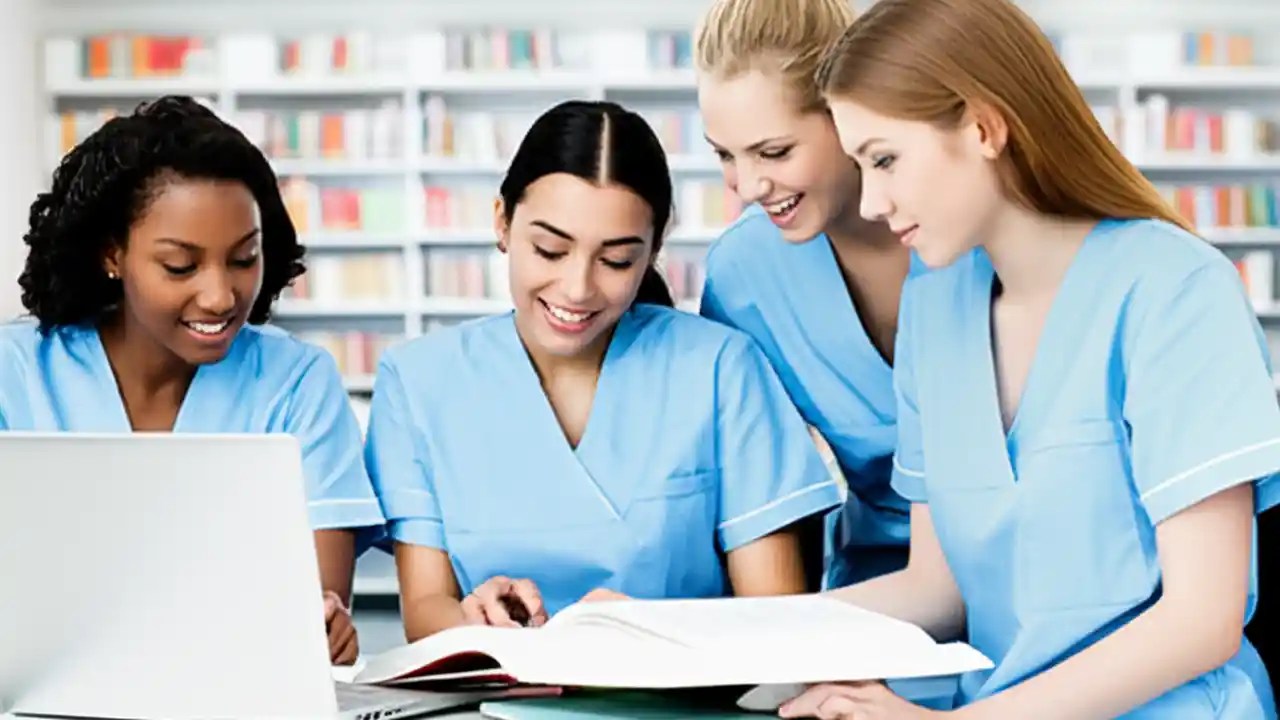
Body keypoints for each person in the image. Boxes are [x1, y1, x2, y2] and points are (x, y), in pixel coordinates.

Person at [773, 0, 1280, 717]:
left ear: (984, 128)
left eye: (885, 159)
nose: (875, 201)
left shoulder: (1175, 290)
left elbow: (1202, 622)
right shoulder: (936, 307)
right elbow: (937, 591)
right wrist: (694, 632)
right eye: (860, 165)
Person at [364, 99, 842, 642]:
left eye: (616, 261)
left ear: (654, 249)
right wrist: (477, 617)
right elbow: (427, 614)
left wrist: (654, 630)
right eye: (549, 250)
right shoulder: (419, 382)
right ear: (502, 222)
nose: (577, 288)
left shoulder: (720, 370)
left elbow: (775, 617)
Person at [0, 95, 384, 666]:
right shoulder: (16, 372)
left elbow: (314, 613)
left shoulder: (297, 381)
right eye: (180, 266)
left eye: (243, 258)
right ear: (113, 253)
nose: (220, 296)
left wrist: (321, 626)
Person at [694, 0, 920, 588]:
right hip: (876, 585)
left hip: (1046, 576)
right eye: (724, 154)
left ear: (846, 114)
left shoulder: (959, 228)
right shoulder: (744, 273)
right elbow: (756, 483)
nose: (746, 187)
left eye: (774, 152)